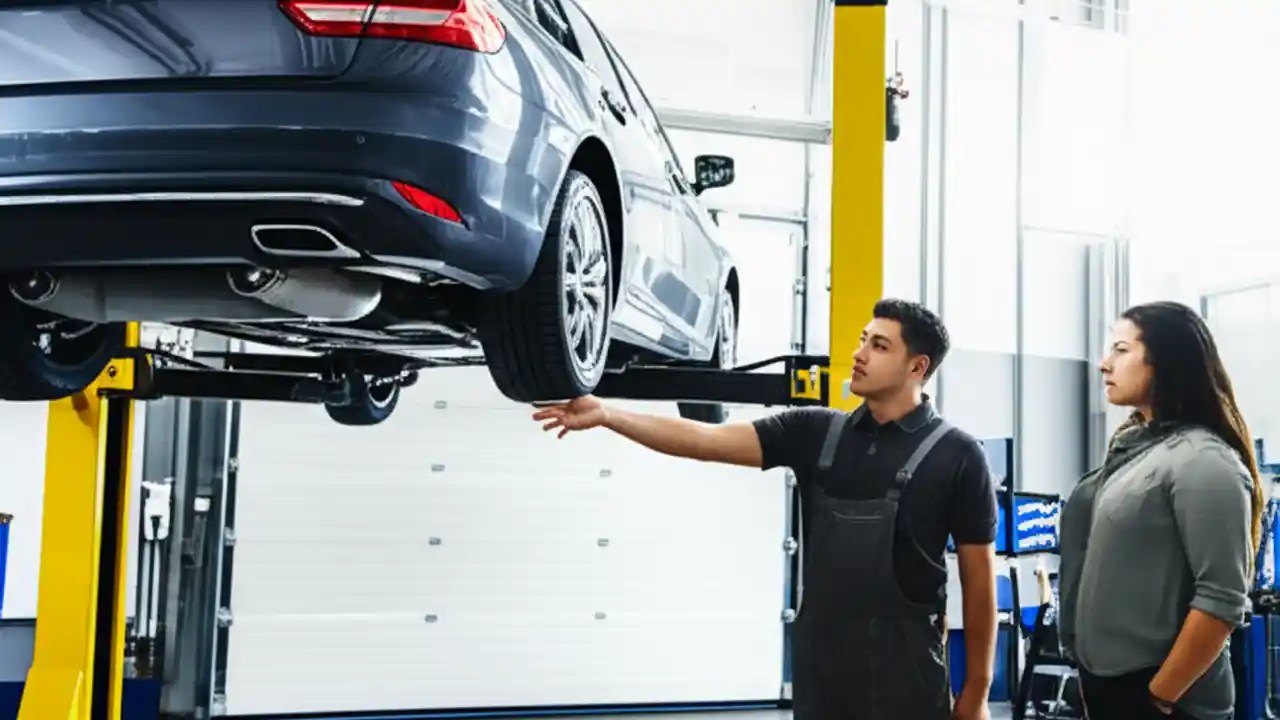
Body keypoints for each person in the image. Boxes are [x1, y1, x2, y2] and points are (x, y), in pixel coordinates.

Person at [532, 299, 999, 720]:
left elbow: (979, 586)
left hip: (907, 683)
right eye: (863, 340)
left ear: (917, 366)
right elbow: (704, 440)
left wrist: (975, 694)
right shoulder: (815, 432)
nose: (859, 354)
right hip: (823, 680)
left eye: (879, 346)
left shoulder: (958, 455)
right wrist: (609, 414)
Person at [1058, 301, 1262, 720]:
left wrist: (1158, 697)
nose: (1104, 363)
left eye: (1121, 350)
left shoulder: (1204, 462)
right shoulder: (1138, 452)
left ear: (1165, 361)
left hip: (1162, 699)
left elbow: (1222, 599)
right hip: (1109, 687)